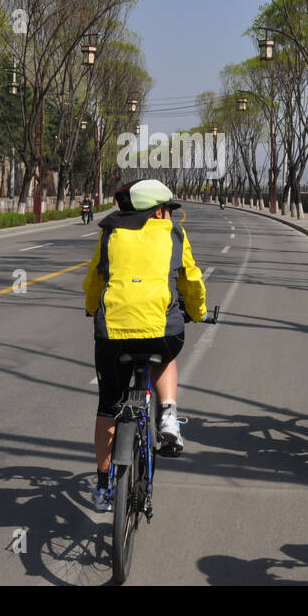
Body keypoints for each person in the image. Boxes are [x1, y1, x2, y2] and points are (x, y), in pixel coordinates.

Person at [83, 178, 208, 512]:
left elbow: (95, 278)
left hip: (111, 335)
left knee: (108, 403)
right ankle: (168, 415)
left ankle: (103, 486)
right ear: (157, 211)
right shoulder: (173, 235)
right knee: (165, 355)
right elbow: (191, 280)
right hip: (161, 332)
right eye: (167, 210)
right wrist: (198, 312)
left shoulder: (109, 234)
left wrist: (92, 308)